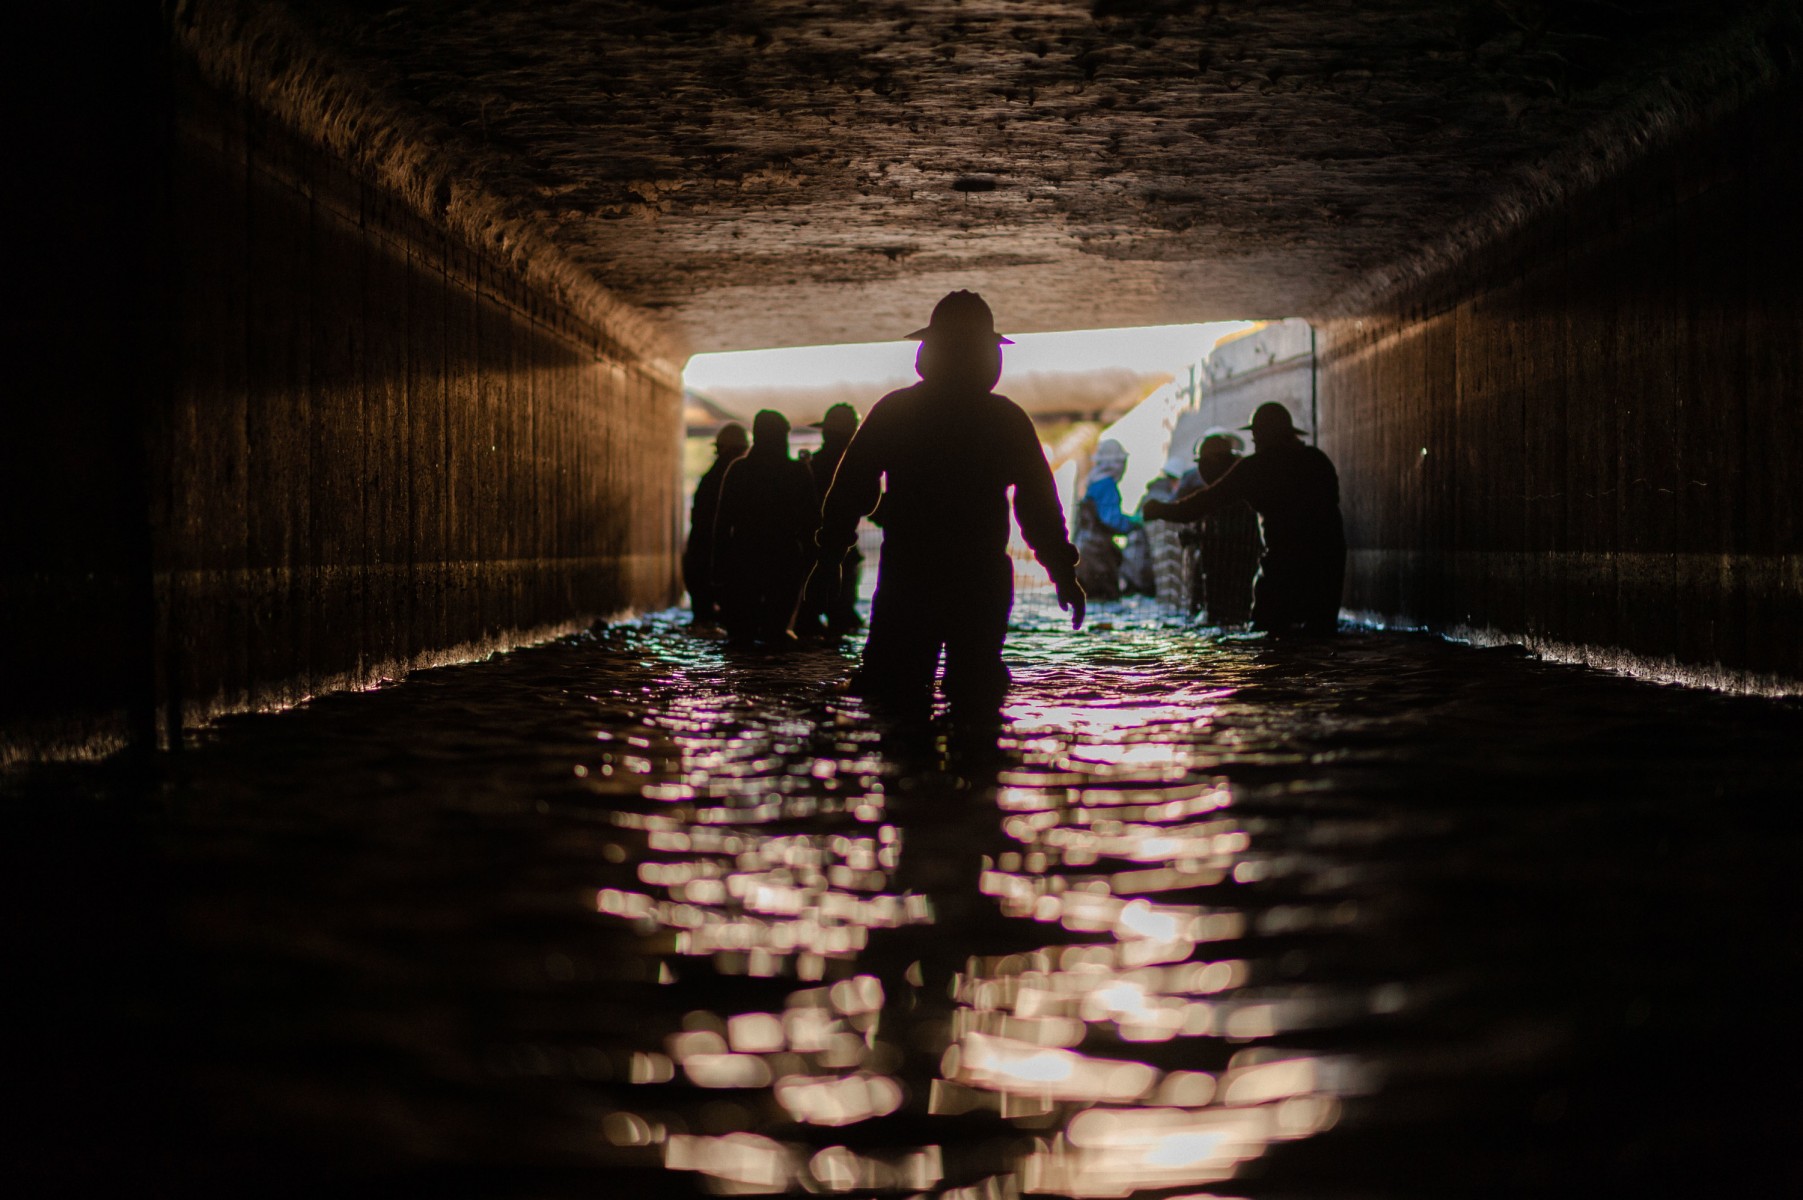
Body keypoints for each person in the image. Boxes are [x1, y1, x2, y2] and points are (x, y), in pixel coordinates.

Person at [813, 290, 1085, 716]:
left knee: (894, 702)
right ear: (988, 357)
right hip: (980, 581)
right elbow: (1038, 506)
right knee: (977, 702)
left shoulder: (896, 411)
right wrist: (1062, 572)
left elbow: (851, 488)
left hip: (909, 578)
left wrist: (828, 557)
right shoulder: (1006, 420)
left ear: (928, 351)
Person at [1144, 401, 1344, 634]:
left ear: (1265, 434)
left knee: (1268, 634)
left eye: (1256, 435)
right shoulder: (1317, 460)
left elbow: (1200, 505)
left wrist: (1159, 509)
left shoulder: (1257, 468)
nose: (1255, 441)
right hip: (1330, 561)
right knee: (1321, 634)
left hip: (1283, 564)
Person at [713, 410, 819, 647]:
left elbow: (722, 523)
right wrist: (816, 565)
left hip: (744, 556)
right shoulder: (797, 472)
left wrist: (717, 565)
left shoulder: (739, 470)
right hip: (784, 557)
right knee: (777, 634)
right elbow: (811, 523)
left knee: (742, 638)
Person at [795, 403, 865, 637]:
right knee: (841, 621)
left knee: (808, 617)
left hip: (810, 548)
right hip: (844, 550)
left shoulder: (811, 466)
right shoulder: (856, 466)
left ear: (825, 432)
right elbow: (870, 503)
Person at [1180, 430, 1260, 627]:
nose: (1201, 470)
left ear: (1214, 462)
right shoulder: (1231, 490)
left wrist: (1199, 537)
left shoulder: (1233, 494)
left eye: (1203, 464)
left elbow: (1233, 538)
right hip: (1229, 591)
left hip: (1234, 588)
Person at [682, 423, 749, 625]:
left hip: (700, 557)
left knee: (704, 620)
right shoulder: (740, 478)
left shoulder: (709, 479)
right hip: (724, 559)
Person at [1074, 439, 1138, 601]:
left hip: (1083, 553)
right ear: (1116, 463)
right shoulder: (1107, 486)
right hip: (1098, 557)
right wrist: (1135, 523)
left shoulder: (1093, 483)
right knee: (1106, 602)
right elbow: (1111, 520)